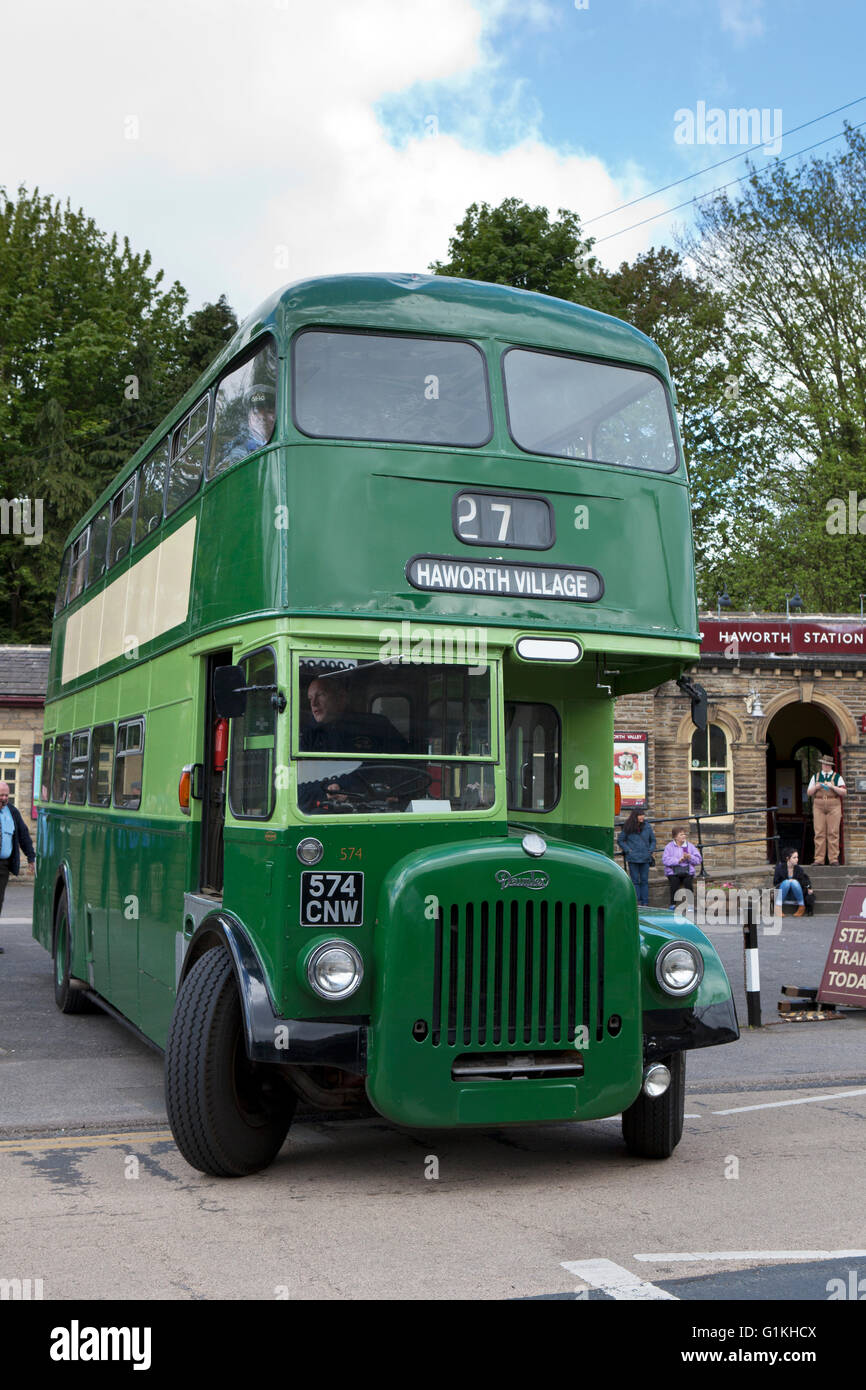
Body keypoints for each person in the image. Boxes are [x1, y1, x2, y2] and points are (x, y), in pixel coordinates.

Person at [298, 674, 409, 811]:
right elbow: (297, 788)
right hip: (326, 813)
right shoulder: (309, 736)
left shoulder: (376, 726)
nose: (314, 703)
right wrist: (327, 791)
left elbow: (405, 767)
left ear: (341, 698)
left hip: (374, 809)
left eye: (321, 695)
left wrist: (346, 788)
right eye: (310, 698)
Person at [0, 781, 36, 953]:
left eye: (7, 795)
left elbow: (22, 834)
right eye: (1, 795)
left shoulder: (12, 812)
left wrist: (31, 857)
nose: (4, 798)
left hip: (3, 866)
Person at [807, 753, 846, 865]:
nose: (825, 766)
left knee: (833, 832)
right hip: (819, 805)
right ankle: (819, 859)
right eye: (824, 764)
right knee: (819, 832)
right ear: (822, 764)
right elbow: (809, 792)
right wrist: (817, 786)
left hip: (833, 804)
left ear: (831, 766)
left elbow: (844, 792)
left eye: (828, 764)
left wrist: (832, 786)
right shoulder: (816, 776)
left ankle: (833, 859)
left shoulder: (837, 777)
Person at [617, 807, 656, 907]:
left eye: (643, 814)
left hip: (645, 857)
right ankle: (637, 902)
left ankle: (645, 903)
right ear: (635, 816)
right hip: (633, 858)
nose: (642, 816)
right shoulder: (628, 826)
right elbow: (620, 840)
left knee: (644, 881)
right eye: (640, 815)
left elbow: (653, 840)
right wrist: (628, 850)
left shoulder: (647, 826)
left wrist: (650, 850)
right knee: (634, 881)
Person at [661, 826, 702, 907]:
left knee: (688, 883)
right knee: (674, 882)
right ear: (675, 837)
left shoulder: (690, 846)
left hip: (687, 871)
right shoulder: (669, 846)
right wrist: (678, 861)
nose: (684, 836)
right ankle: (672, 904)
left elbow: (698, 860)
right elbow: (665, 860)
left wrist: (690, 857)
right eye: (681, 835)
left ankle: (690, 905)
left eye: (684, 834)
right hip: (673, 871)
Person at [773, 849, 813, 917]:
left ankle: (801, 907)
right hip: (783, 894)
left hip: (795, 895)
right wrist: (787, 881)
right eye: (794, 857)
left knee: (794, 882)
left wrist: (809, 888)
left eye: (797, 857)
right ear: (788, 858)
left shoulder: (799, 869)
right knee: (786, 882)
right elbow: (775, 882)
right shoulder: (780, 868)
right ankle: (778, 908)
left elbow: (805, 880)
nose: (797, 859)